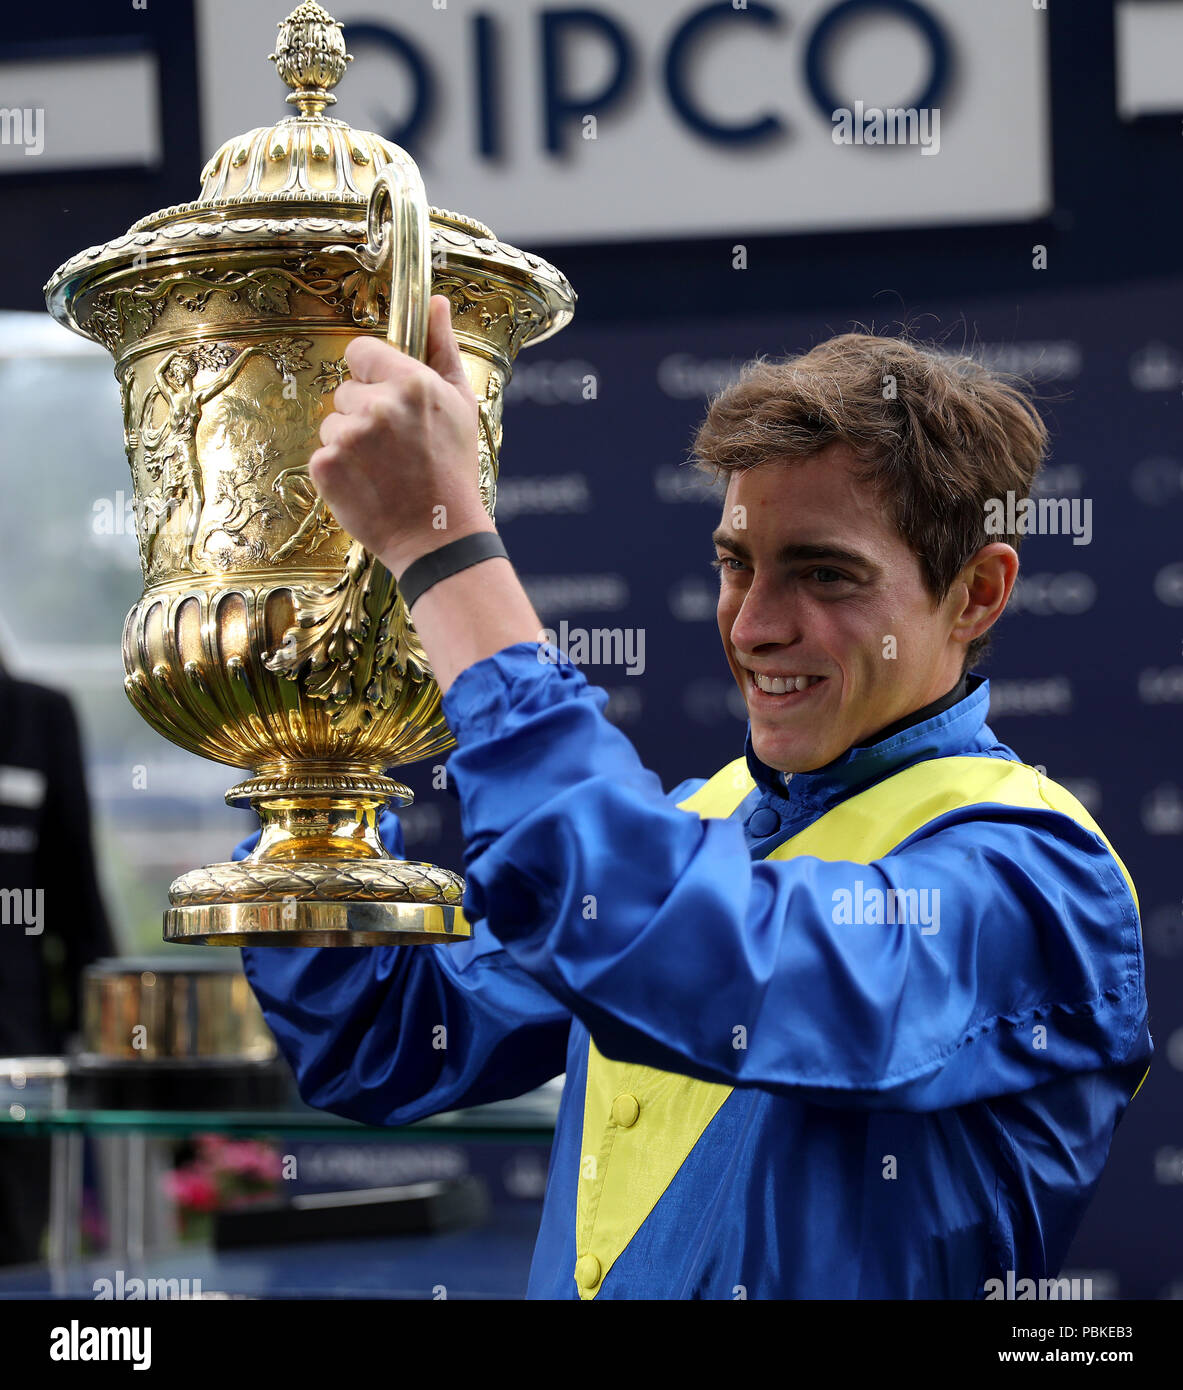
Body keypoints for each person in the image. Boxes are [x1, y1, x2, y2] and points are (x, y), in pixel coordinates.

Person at [235, 299, 1151, 1299]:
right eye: (735, 564)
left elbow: (694, 951)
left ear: (975, 592)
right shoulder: (697, 818)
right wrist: (305, 756)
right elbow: (384, 1038)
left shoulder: (1039, 876)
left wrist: (445, 550)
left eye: (823, 575)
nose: (755, 624)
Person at [0, 652, 115, 1264]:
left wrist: (110, 1037)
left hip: (18, 1055)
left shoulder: (40, 715)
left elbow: (77, 897)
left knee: (16, 1251)